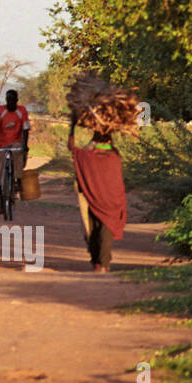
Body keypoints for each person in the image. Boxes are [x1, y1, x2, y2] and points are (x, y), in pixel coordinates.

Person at [68, 114, 128, 272]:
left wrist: (72, 127)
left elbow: (72, 148)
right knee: (105, 229)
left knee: (93, 231)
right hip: (111, 201)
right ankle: (105, 264)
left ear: (94, 138)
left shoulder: (87, 156)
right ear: (110, 139)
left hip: (91, 200)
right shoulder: (115, 156)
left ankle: (97, 262)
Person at [0, 89, 31, 214]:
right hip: (2, 144)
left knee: (18, 162)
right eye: (9, 100)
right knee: (0, 173)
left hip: (16, 144)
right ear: (6, 100)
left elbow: (26, 129)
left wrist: (25, 145)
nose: (11, 102)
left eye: (13, 100)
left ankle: (18, 182)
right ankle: (2, 204)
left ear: (17, 100)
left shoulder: (22, 111)